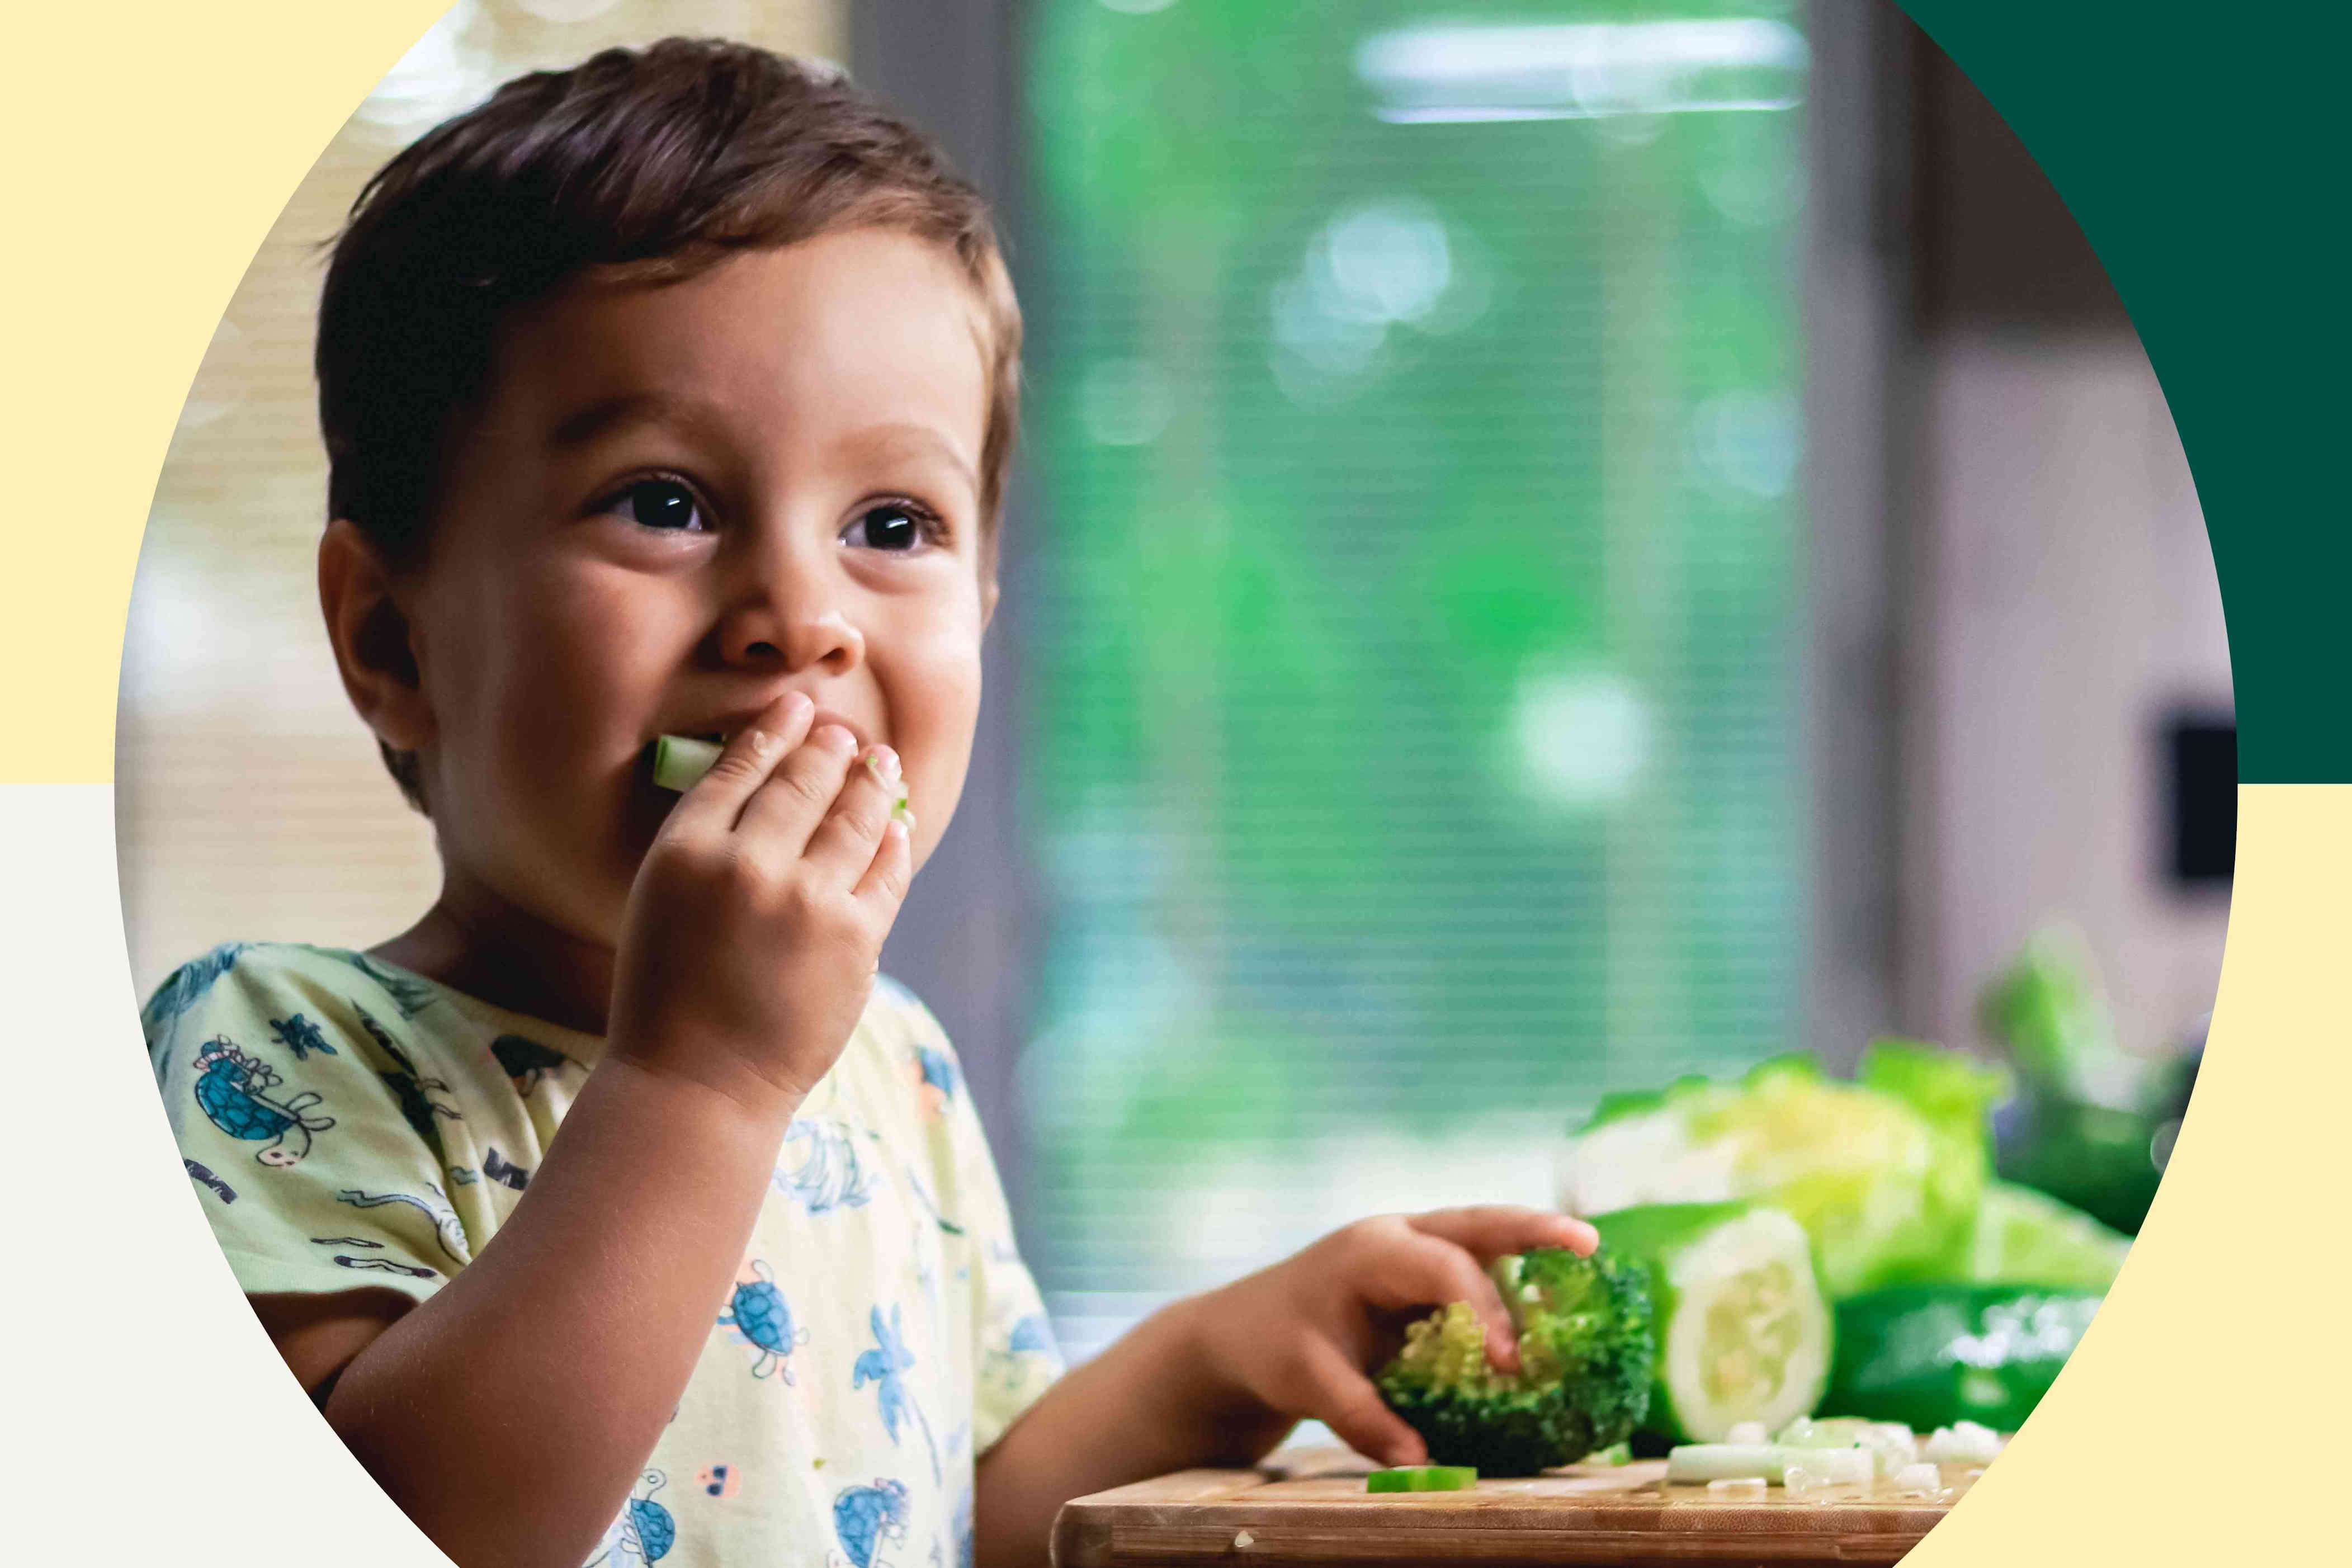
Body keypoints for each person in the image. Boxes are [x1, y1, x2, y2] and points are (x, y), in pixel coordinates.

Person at [142, 39, 1594, 1568]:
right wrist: (698, 1086)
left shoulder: (888, 1061)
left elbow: (978, 1506)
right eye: (665, 502)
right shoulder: (278, 1050)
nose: (799, 613)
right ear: (392, 639)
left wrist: (1220, 1355)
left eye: (890, 523)